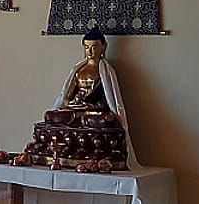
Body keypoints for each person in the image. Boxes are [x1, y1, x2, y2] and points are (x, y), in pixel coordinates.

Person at [52, 26, 141, 168]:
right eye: (87, 47)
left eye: (94, 47)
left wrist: (91, 105)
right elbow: (67, 97)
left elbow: (109, 99)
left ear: (103, 47)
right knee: (51, 116)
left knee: (104, 120)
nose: (90, 51)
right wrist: (75, 102)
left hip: (95, 111)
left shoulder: (106, 72)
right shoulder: (78, 71)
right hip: (77, 110)